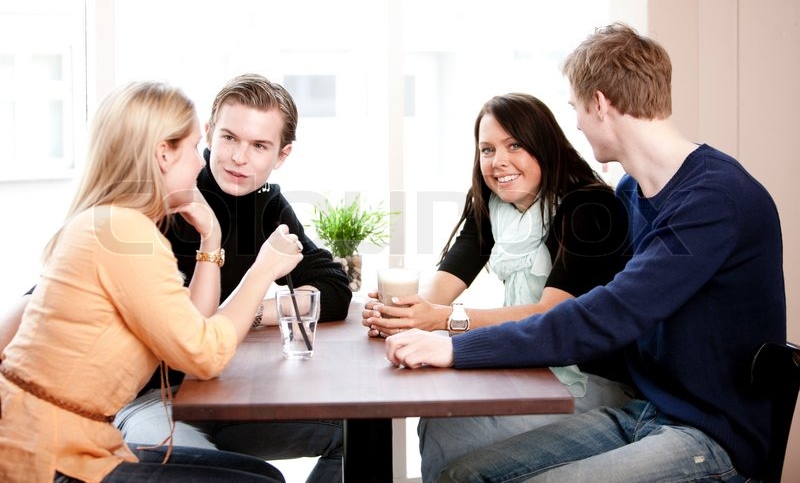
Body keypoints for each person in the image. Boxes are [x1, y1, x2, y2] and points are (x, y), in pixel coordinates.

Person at [385, 23, 786, 482]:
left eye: (575, 107)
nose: (575, 122)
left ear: (599, 103)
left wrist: (456, 347)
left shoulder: (715, 199)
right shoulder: (633, 191)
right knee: (464, 474)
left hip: (711, 436)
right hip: (647, 411)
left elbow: (606, 315)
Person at [0, 81, 302, 482]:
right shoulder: (125, 236)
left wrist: (210, 238)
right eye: (196, 146)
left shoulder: (115, 223)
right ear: (163, 154)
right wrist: (263, 270)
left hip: (81, 444)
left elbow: (189, 334)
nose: (202, 161)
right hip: (49, 457)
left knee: (264, 476)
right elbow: (205, 354)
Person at [363, 92, 634, 482]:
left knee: (453, 425)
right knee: (442, 420)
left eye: (514, 145)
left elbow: (550, 316)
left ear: (545, 146)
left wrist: (441, 320)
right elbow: (443, 285)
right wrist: (401, 311)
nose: (498, 161)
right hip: (531, 366)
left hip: (592, 381)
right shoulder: (493, 205)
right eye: (487, 149)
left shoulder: (589, 206)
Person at [114, 73, 352, 483]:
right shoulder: (159, 201)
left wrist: (255, 313)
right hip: (151, 401)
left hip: (225, 396)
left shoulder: (266, 204)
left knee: (355, 435)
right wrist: (240, 305)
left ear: (281, 154)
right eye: (229, 138)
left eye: (259, 146)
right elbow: (188, 336)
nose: (239, 158)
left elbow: (333, 289)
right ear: (207, 134)